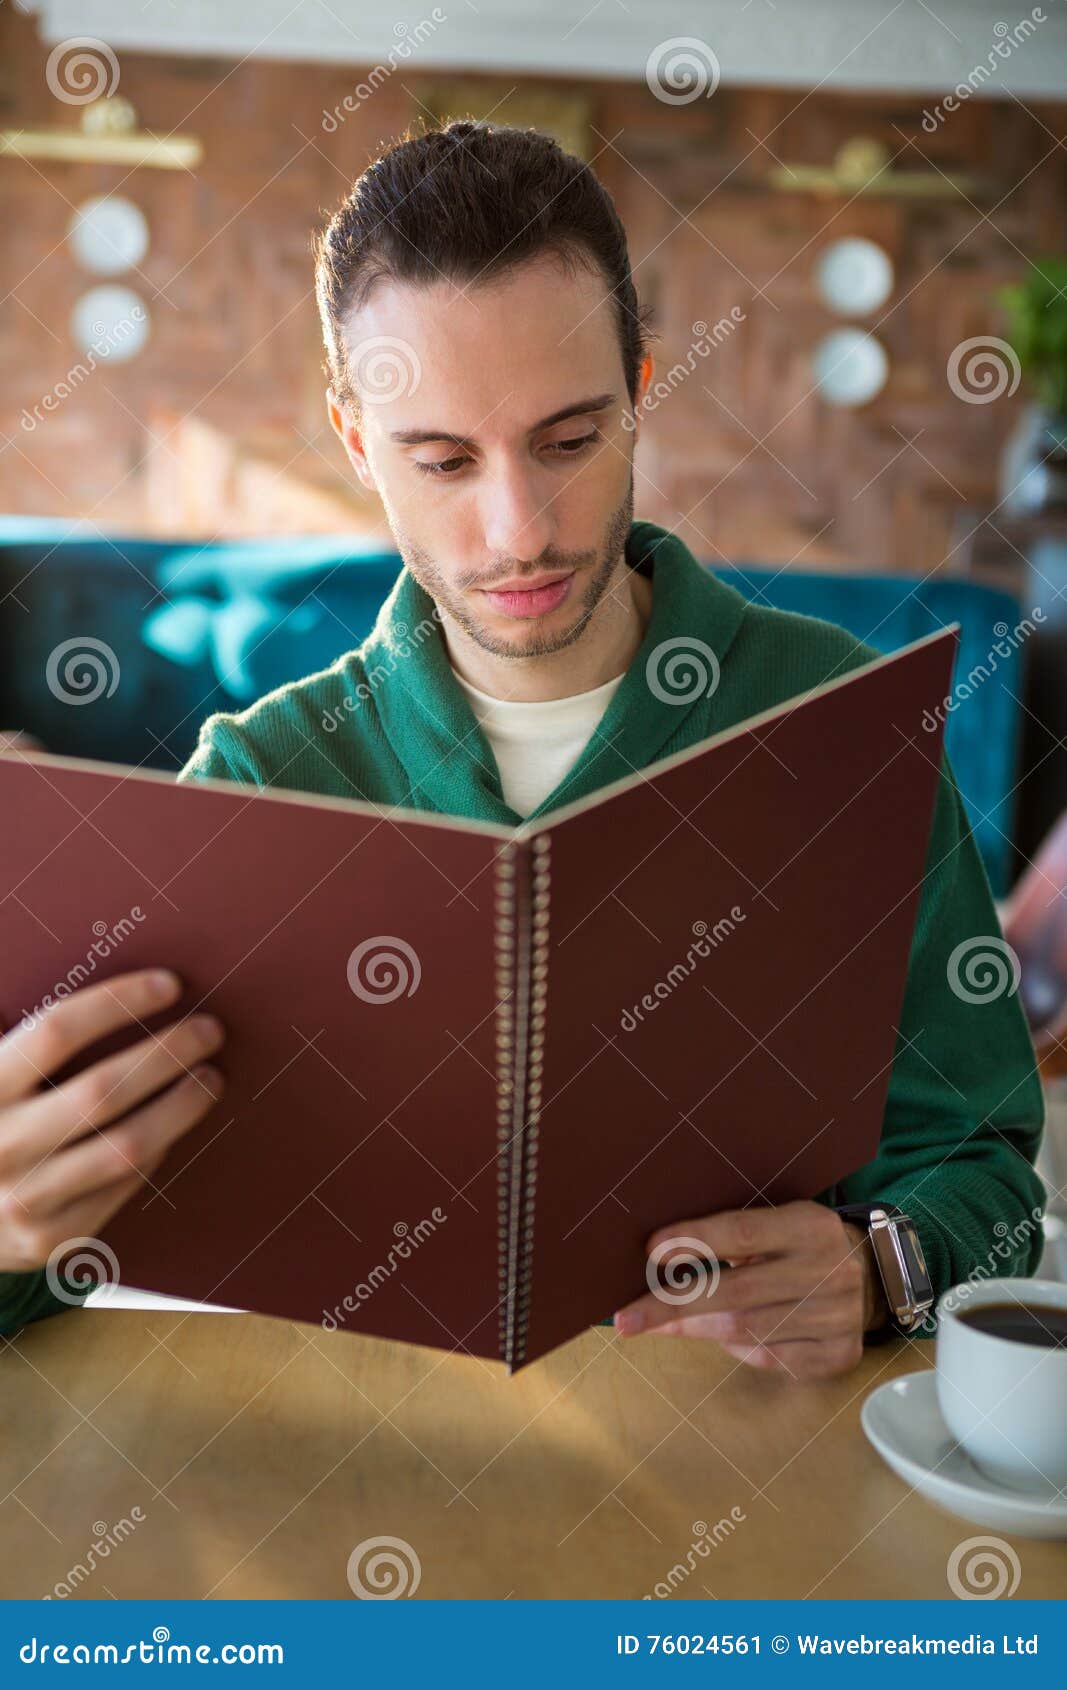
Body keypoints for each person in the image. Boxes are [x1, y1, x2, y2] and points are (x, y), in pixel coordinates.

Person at [0, 122, 1045, 1378]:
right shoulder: (258, 784)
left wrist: (882, 1271)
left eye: (568, 441)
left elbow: (987, 1175)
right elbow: (74, 1263)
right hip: (340, 1492)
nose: (519, 531)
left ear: (640, 390)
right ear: (353, 445)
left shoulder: (838, 724)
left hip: (745, 1482)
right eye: (441, 459)